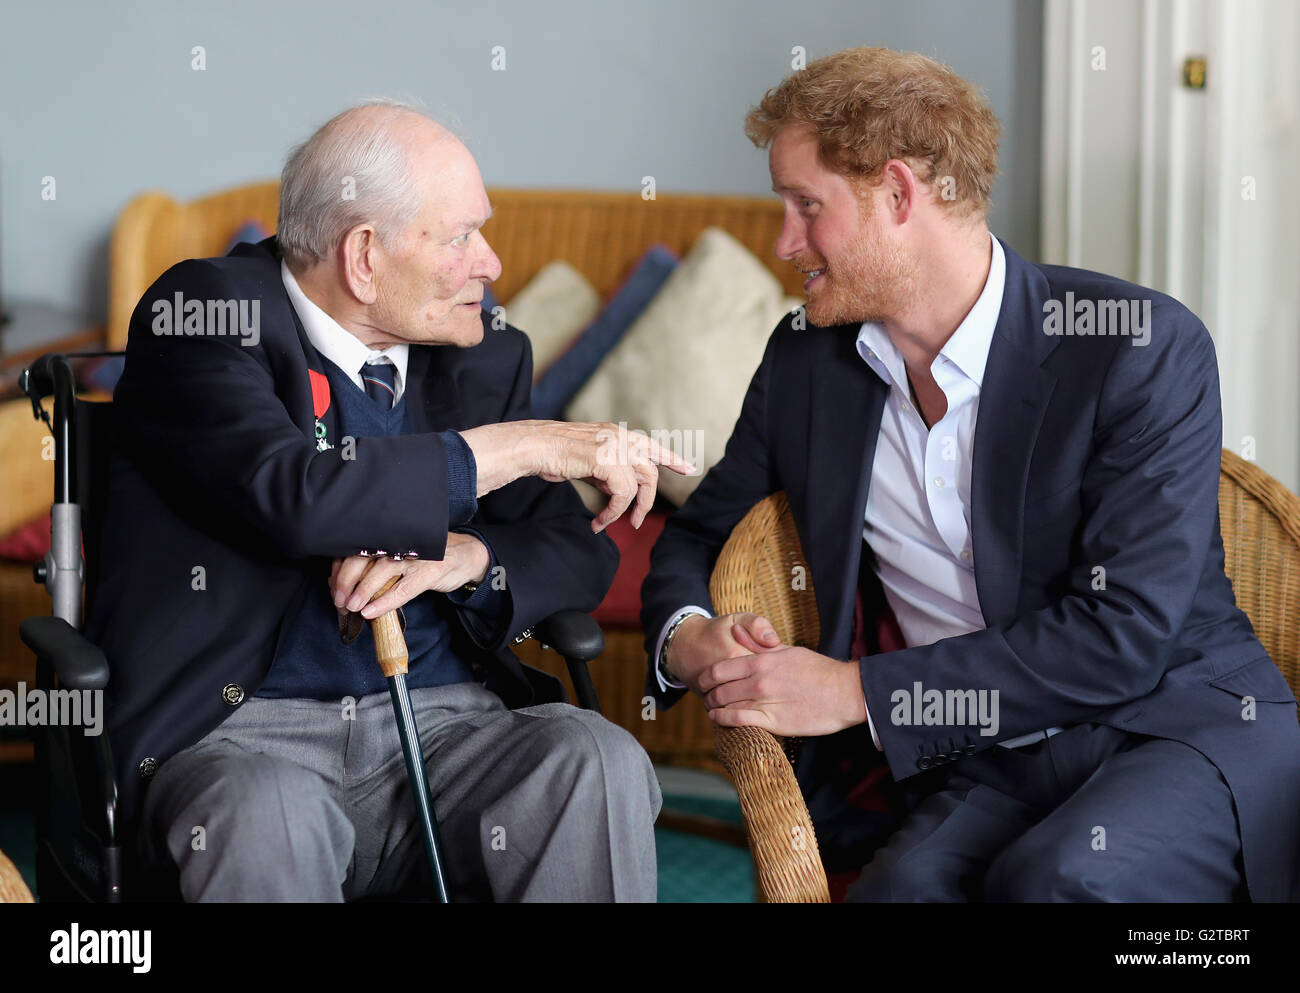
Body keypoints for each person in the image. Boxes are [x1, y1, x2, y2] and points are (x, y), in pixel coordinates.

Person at [641, 47, 1300, 901]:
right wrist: (688, 636)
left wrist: (855, 691)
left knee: (1058, 881)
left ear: (899, 194)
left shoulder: (1134, 345)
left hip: (1173, 725)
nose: (783, 242)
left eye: (807, 206)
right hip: (985, 755)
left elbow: (1126, 632)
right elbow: (703, 530)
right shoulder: (808, 363)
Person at [87, 100, 690, 902]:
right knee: (266, 812)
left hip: (446, 730)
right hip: (242, 736)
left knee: (595, 759)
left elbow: (576, 547)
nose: (494, 263)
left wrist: (469, 560)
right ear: (364, 256)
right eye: (461, 237)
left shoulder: (479, 351)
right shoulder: (205, 316)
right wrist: (519, 445)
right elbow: (291, 491)